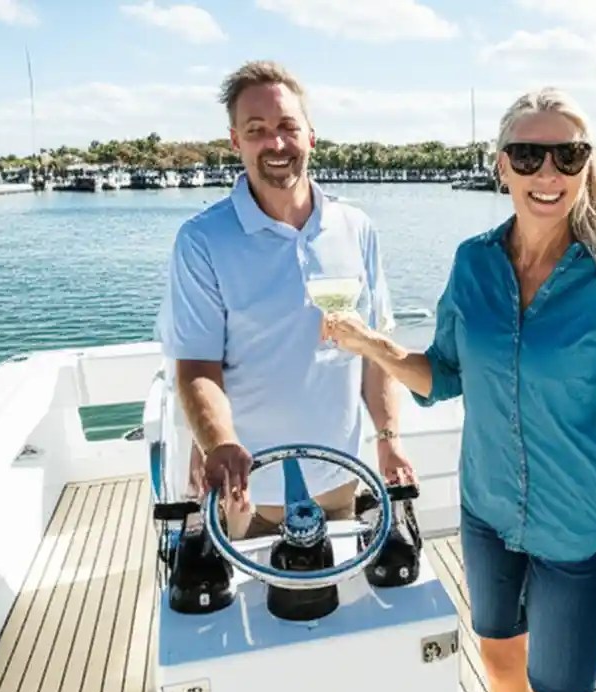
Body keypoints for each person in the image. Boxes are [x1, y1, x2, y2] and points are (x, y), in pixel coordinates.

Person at [324, 87, 596, 692]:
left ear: (586, 167)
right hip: (487, 513)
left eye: (567, 157)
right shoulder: (473, 264)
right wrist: (372, 344)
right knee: (497, 659)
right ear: (501, 165)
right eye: (528, 154)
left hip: (577, 531)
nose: (548, 173)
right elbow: (444, 375)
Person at [154, 60, 416, 613]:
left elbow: (374, 351)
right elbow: (196, 367)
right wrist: (218, 444)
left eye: (288, 126)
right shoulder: (202, 241)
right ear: (235, 140)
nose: (275, 142)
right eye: (257, 130)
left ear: (311, 135)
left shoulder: (356, 227)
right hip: (244, 488)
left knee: (334, 618)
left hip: (340, 474)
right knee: (247, 630)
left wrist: (388, 437)